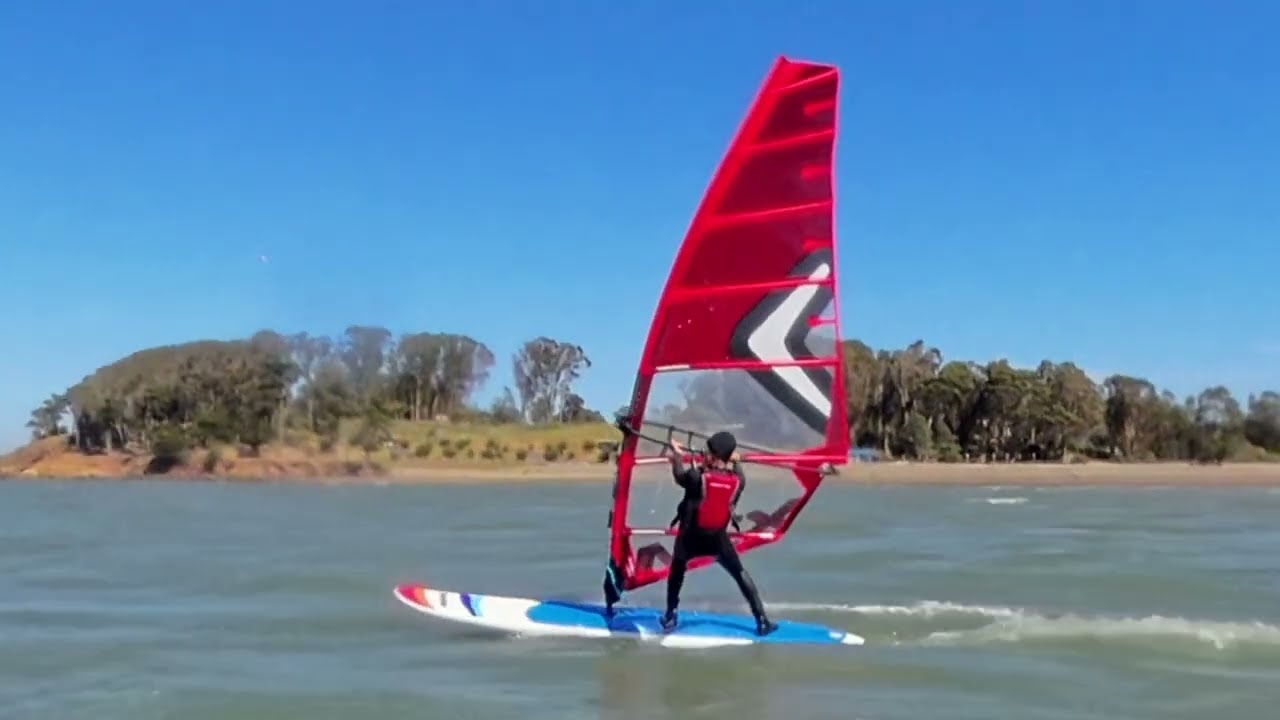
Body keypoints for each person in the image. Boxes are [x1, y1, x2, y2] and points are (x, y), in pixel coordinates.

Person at [661, 430, 777, 636]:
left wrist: (676, 456)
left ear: (713, 456)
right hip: (717, 540)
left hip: (690, 540)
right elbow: (737, 473)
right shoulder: (738, 481)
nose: (704, 453)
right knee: (740, 574)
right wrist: (737, 461)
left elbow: (680, 477)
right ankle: (762, 620)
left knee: (676, 574)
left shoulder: (697, 477)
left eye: (707, 451)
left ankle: (670, 617)